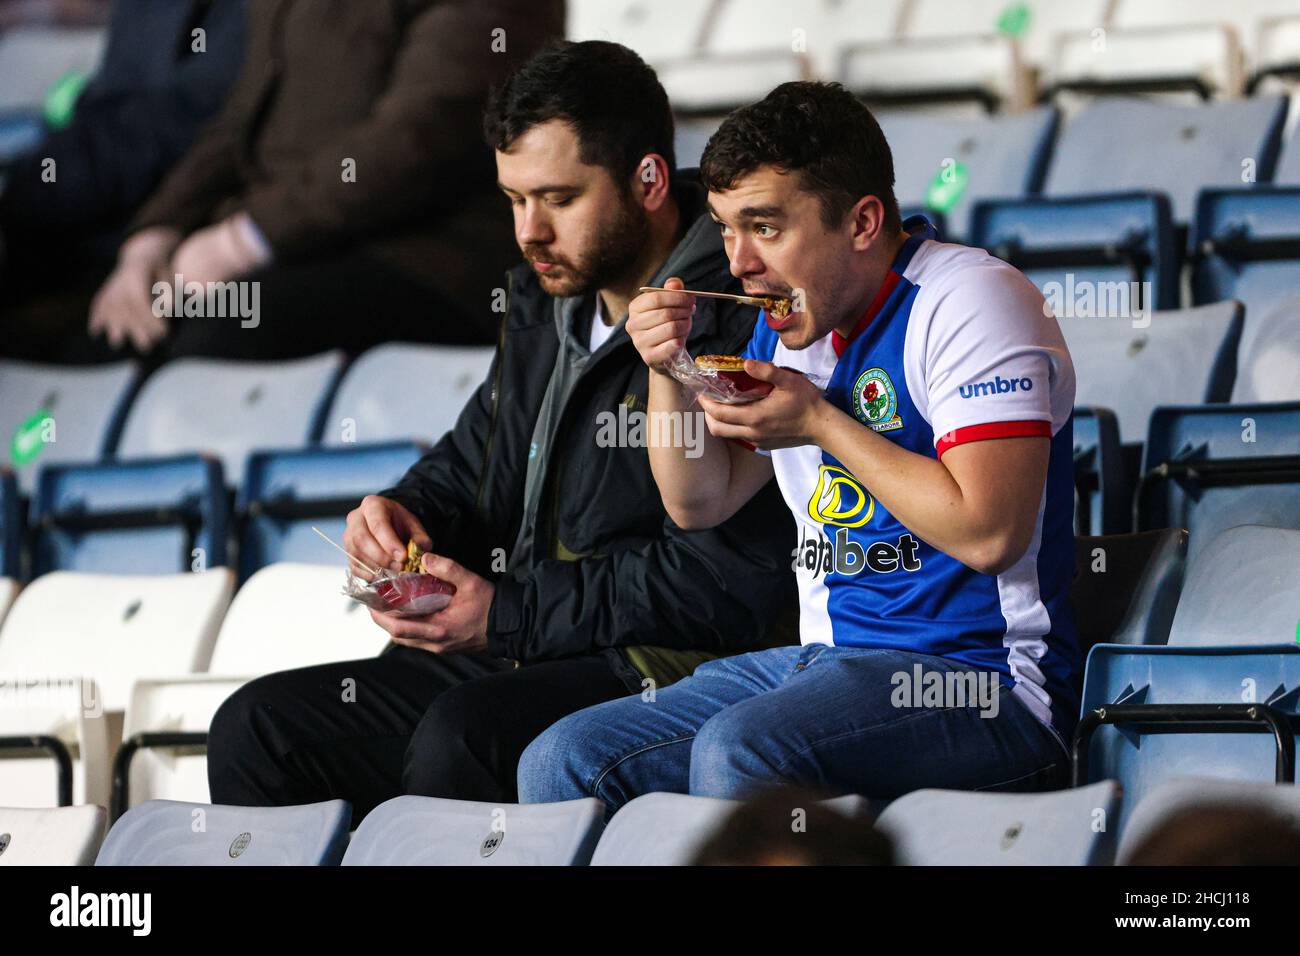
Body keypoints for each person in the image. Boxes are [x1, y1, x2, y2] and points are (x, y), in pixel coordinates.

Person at [206, 42, 796, 820]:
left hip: (662, 663)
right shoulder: (544, 298)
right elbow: (480, 451)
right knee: (259, 729)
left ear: (649, 181)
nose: (529, 232)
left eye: (556, 198)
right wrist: (404, 513)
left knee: (464, 736)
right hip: (525, 639)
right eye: (513, 199)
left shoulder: (734, 311)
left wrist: (507, 612)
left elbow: (732, 580)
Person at [518, 81, 1082, 811]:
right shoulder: (790, 324)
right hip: (824, 663)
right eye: (724, 227)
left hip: (983, 680)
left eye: (765, 227)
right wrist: (668, 370)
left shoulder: (972, 301)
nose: (741, 261)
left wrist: (820, 422)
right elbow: (701, 500)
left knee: (743, 751)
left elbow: (990, 533)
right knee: (564, 758)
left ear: (861, 222)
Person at [31, 0, 563, 364]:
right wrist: (153, 237)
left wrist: (240, 242)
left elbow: (420, 137)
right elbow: (238, 122)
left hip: (424, 258)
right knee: (95, 348)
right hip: (291, 247)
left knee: (217, 341)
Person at [0, 0, 246, 360]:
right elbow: (105, 106)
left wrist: (20, 196)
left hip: (172, 236)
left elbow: (181, 121)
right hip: (80, 226)